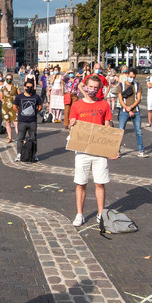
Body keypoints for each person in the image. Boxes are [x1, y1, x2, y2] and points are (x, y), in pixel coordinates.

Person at [68, 74, 114, 227]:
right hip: (82, 150)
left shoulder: (104, 105)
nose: (93, 90)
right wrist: (72, 124)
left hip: (99, 150)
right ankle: (79, 214)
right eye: (90, 87)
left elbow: (108, 126)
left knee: (100, 183)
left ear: (99, 89)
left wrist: (112, 147)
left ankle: (101, 214)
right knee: (81, 183)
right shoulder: (77, 105)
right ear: (85, 87)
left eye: (96, 88)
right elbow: (70, 126)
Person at [114, 68, 147, 157]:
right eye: (130, 76)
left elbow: (138, 99)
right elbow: (120, 99)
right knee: (121, 130)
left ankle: (141, 150)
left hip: (135, 111)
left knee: (138, 131)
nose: (131, 78)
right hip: (124, 111)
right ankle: (117, 151)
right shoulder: (121, 85)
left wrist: (131, 107)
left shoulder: (137, 85)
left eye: (133, 77)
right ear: (127, 75)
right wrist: (126, 108)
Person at [14, 78, 40, 163]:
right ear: (24, 87)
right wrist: (20, 113)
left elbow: (40, 107)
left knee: (33, 138)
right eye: (28, 87)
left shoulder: (36, 97)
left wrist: (35, 113)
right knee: (20, 138)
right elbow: (14, 107)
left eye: (31, 87)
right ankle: (19, 154)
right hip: (22, 121)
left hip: (32, 121)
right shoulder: (19, 96)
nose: (29, 88)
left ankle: (34, 154)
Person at [0, 74, 19, 145]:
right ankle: (10, 137)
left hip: (14, 107)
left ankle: (20, 138)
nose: (9, 80)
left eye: (10, 78)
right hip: (6, 108)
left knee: (16, 123)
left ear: (12, 79)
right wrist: (5, 102)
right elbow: (1, 98)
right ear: (5, 79)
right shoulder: (3, 88)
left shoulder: (16, 87)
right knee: (7, 123)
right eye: (7, 78)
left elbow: (20, 96)